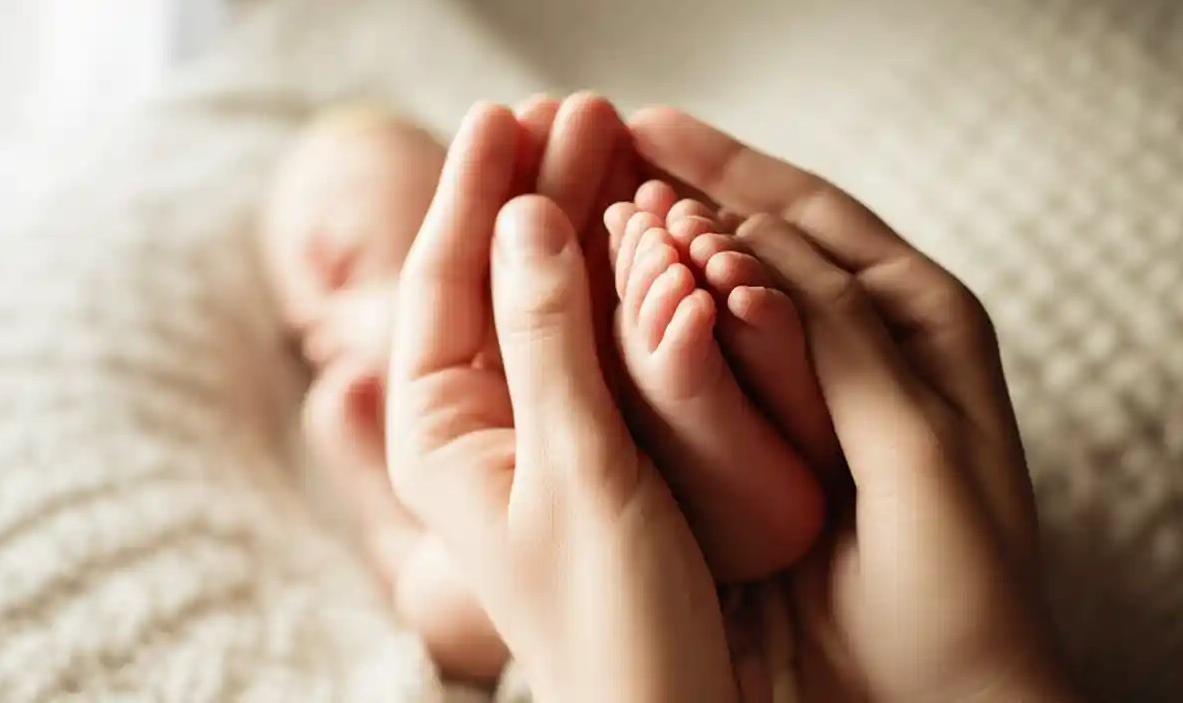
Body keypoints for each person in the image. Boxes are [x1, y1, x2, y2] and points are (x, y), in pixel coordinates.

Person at [382, 98, 1080, 701]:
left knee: (442, 580)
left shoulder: (467, 385)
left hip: (619, 552)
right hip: (686, 574)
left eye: (348, 269)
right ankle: (711, 419)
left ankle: (702, 403)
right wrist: (981, 682)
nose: (328, 332)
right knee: (438, 585)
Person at [262, 95, 835, 681]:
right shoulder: (382, 438)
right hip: (531, 601)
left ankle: (694, 386)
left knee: (677, 448)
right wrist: (367, 481)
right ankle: (699, 396)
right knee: (428, 593)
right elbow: (410, 580)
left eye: (340, 273)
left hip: (717, 554)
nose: (317, 336)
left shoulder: (562, 318)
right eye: (301, 338)